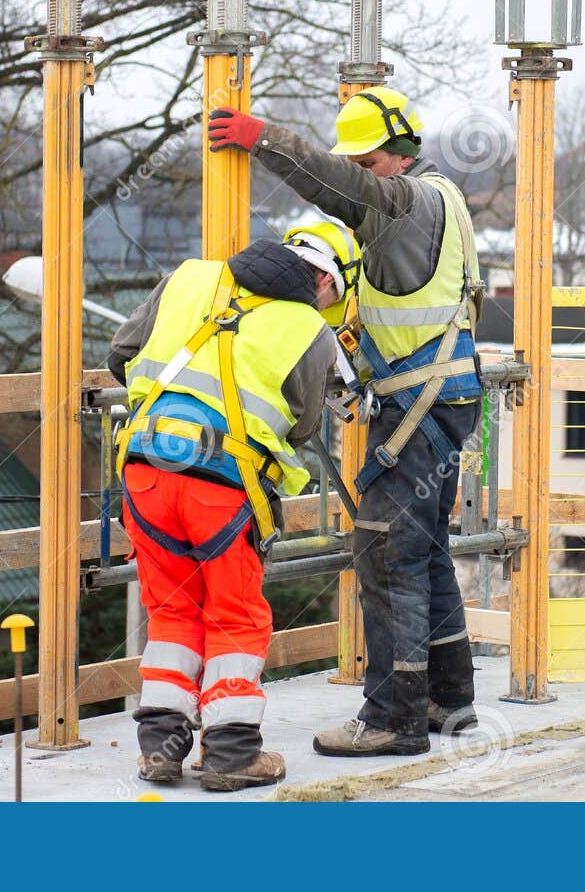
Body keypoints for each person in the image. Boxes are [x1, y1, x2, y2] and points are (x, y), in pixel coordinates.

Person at [208, 87, 483, 758]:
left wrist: (263, 139)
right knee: (423, 554)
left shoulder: (401, 206)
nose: (359, 172)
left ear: (393, 157)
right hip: (445, 402)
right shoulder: (447, 199)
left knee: (388, 556)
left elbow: (339, 190)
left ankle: (395, 717)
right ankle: (450, 700)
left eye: (364, 161)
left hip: (417, 411)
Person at [106, 229, 358, 791]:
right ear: (322, 280)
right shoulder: (308, 329)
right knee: (234, 615)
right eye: (331, 297)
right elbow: (306, 423)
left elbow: (120, 356)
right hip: (222, 487)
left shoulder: (188, 278)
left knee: (171, 615)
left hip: (145, 471)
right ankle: (231, 755)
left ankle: (160, 752)